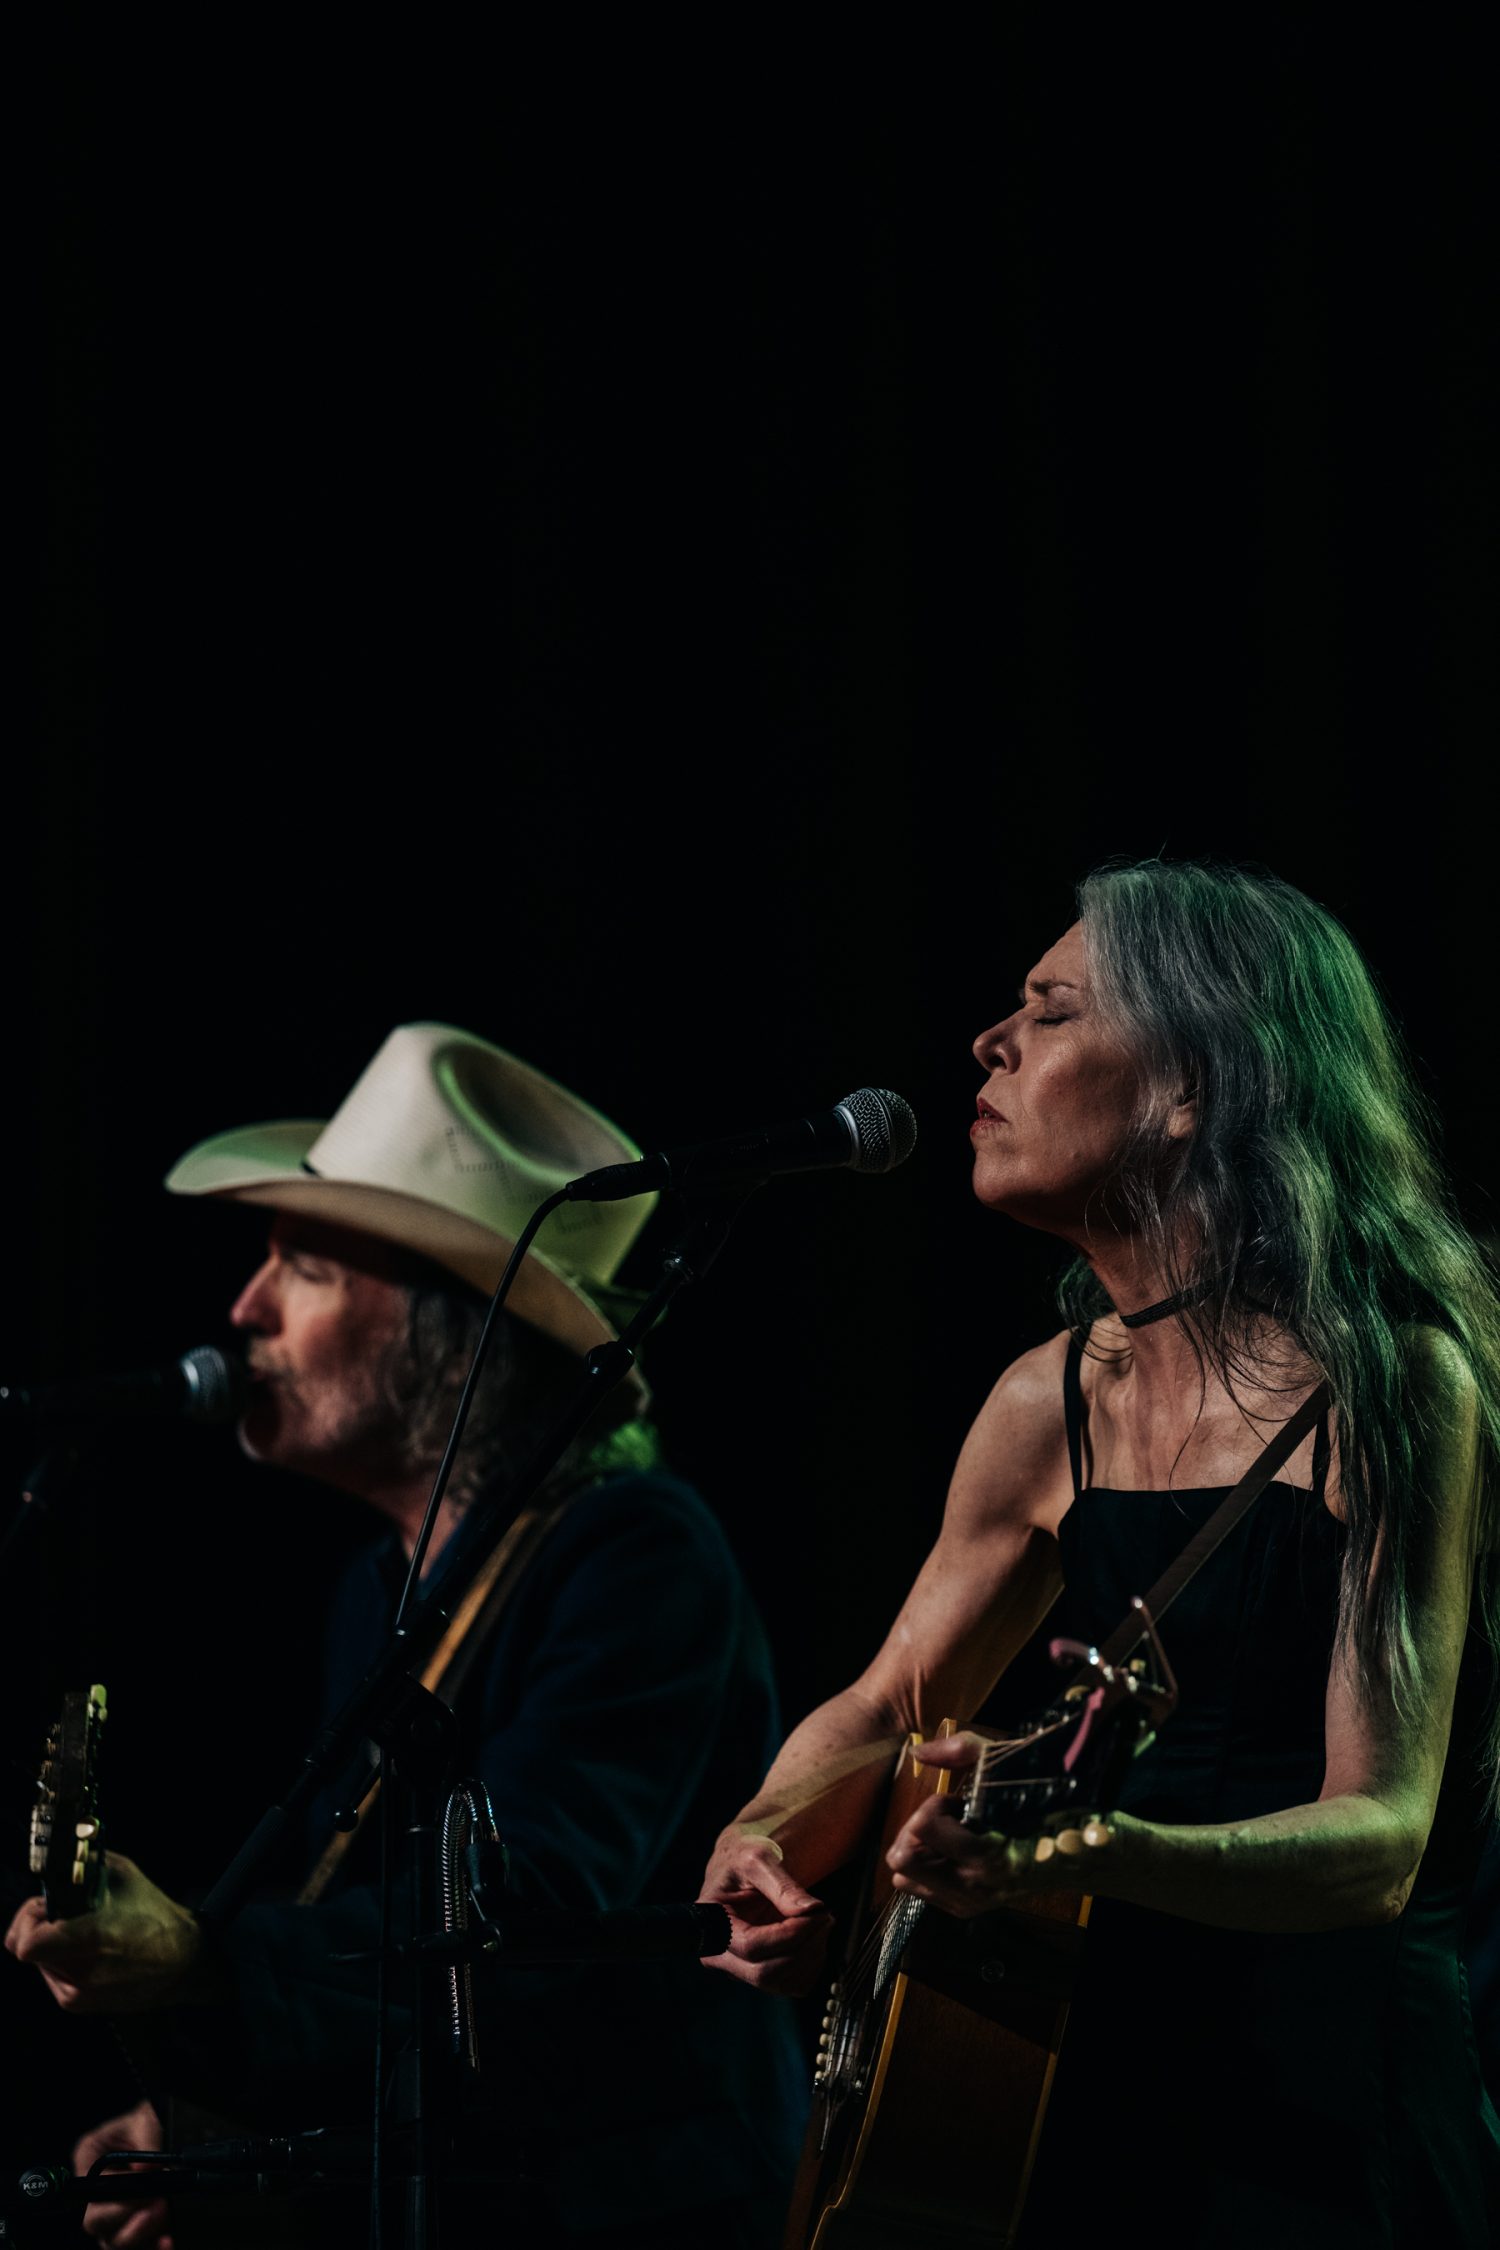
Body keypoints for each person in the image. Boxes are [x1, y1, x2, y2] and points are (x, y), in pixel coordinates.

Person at [701, 859, 1500, 2247]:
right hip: (1084, 2070)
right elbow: (896, 1699)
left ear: (1190, 1084)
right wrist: (764, 1835)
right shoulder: (1047, 1397)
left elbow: (1378, 1837)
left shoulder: (1393, 1386)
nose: (988, 1043)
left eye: (1051, 1010)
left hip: (1321, 2109)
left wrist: (1099, 1849)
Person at [7, 1022, 804, 2247]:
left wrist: (208, 1960)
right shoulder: (386, 1583)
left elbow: (517, 1913)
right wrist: (209, 2133)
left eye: (306, 1267)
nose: (244, 1306)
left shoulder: (637, 1555)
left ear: (458, 1337)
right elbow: (402, 1977)